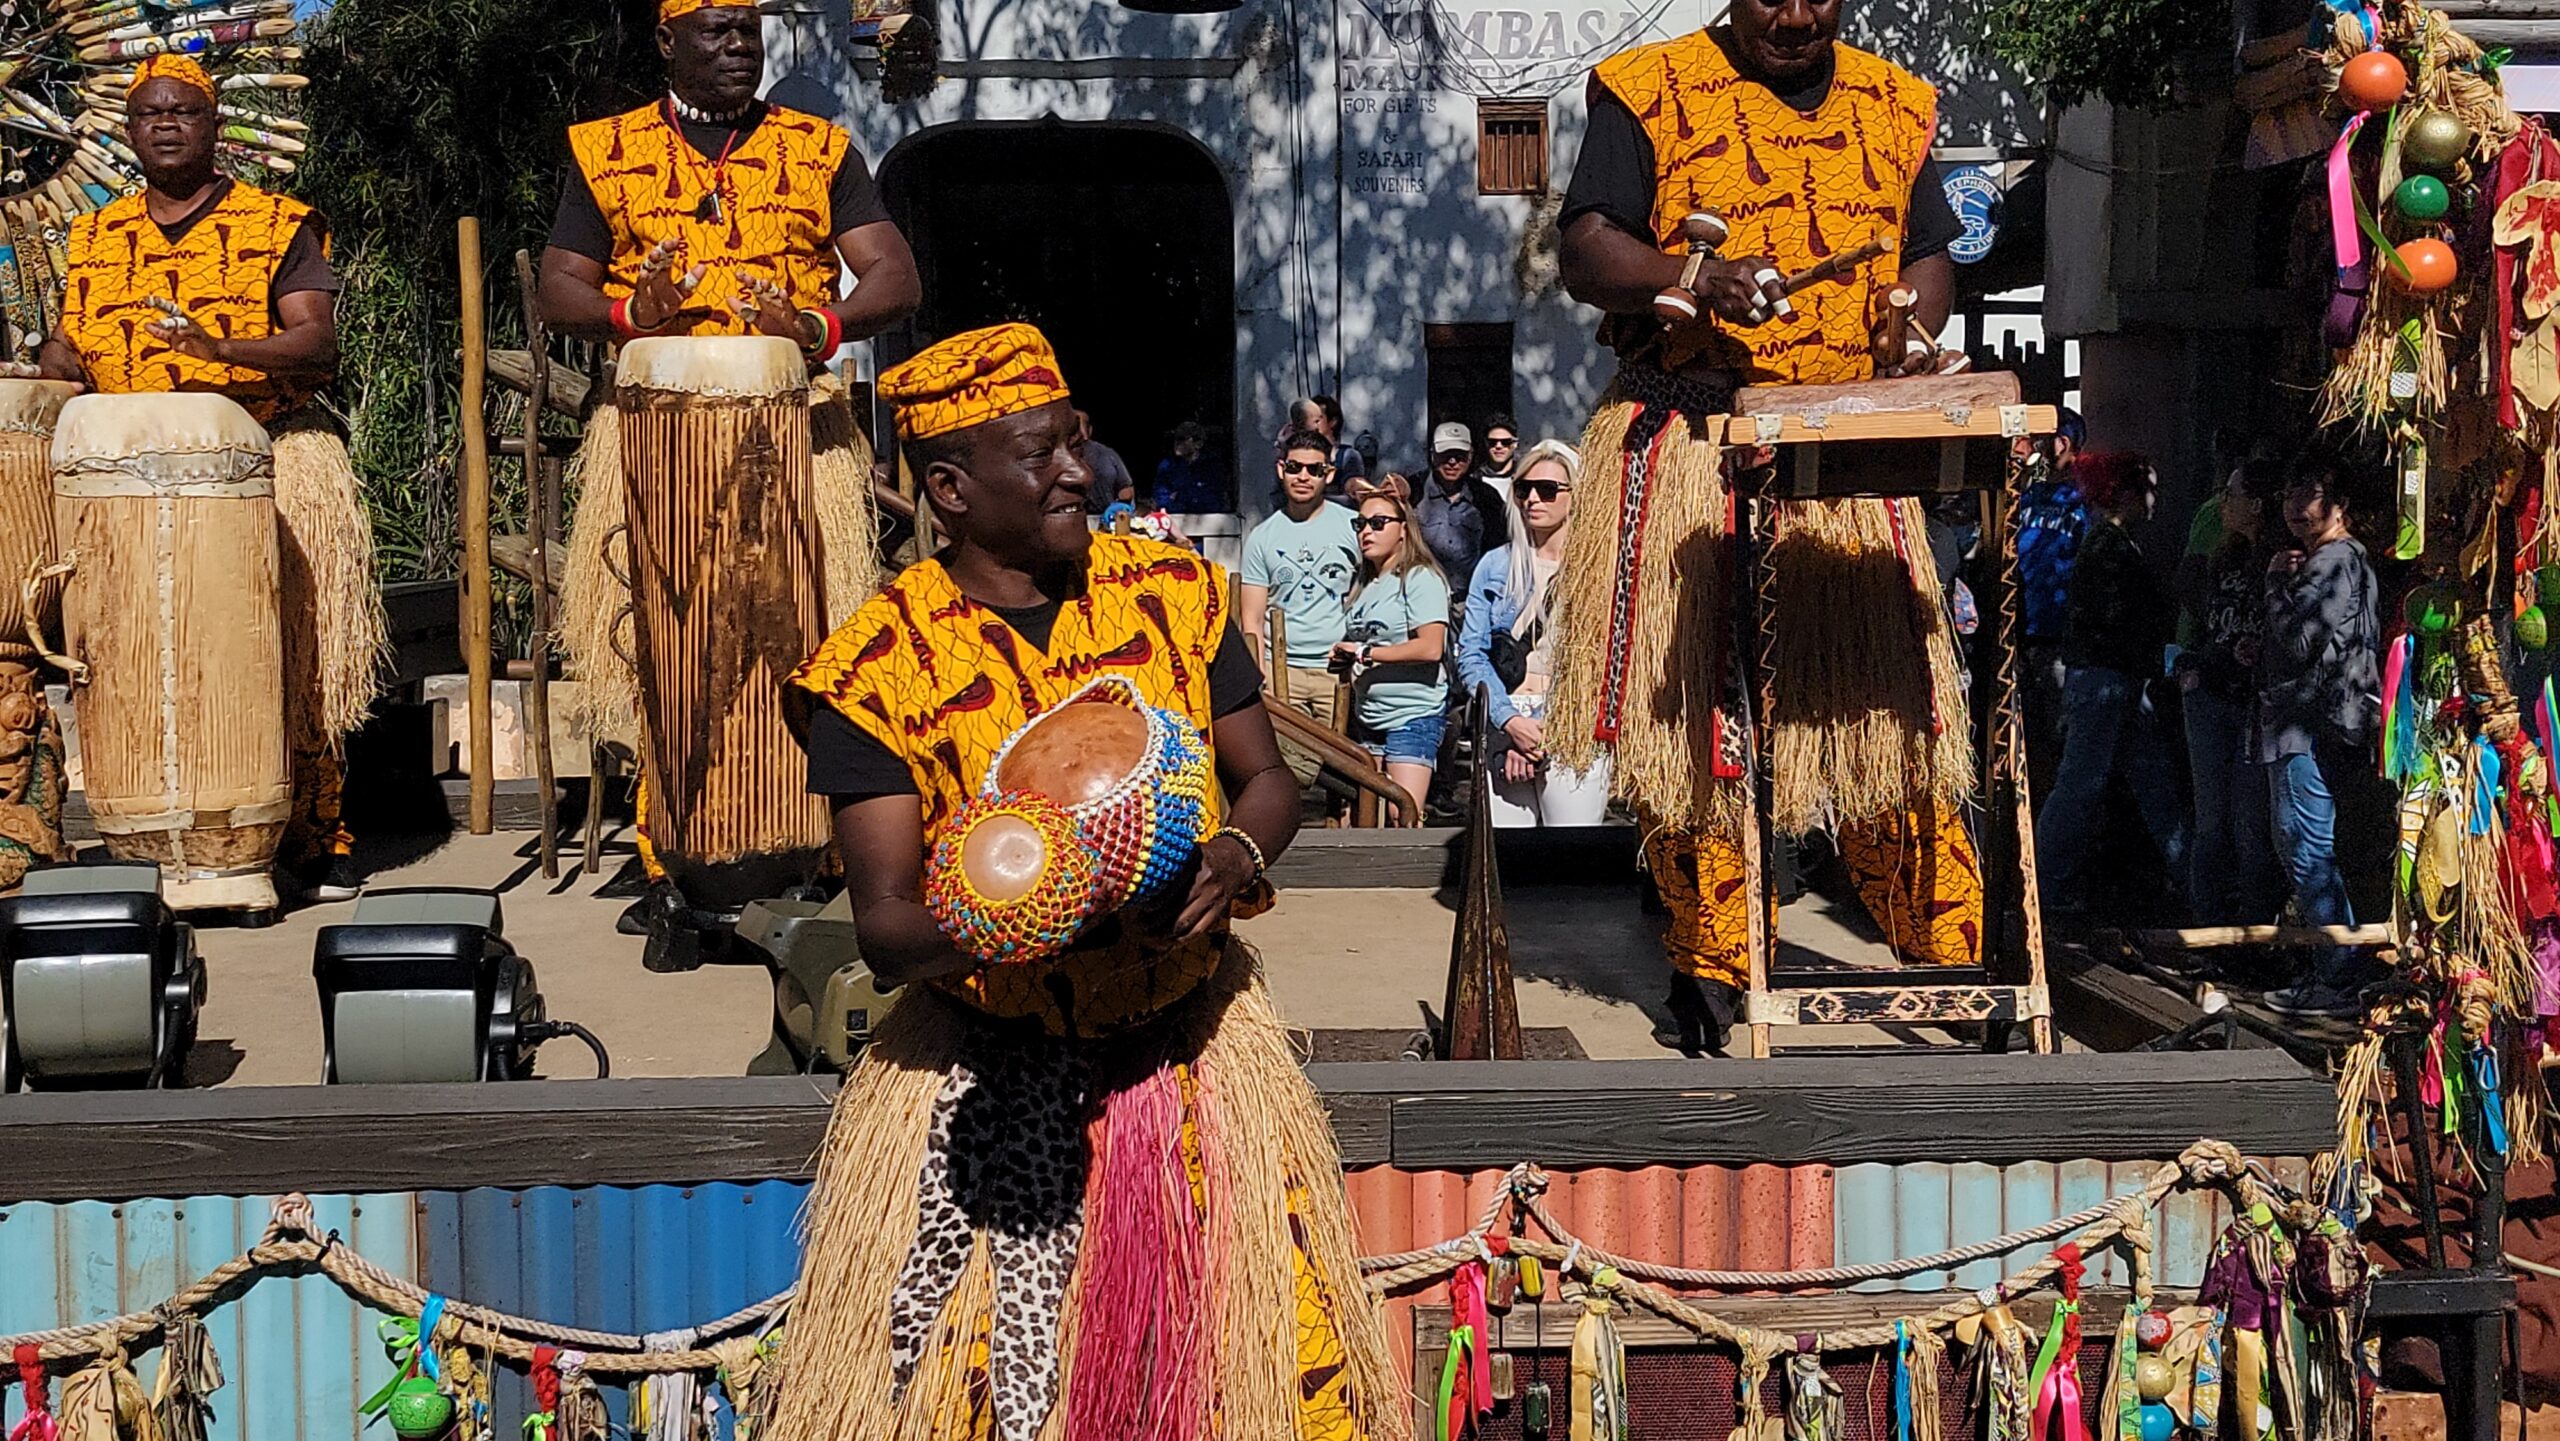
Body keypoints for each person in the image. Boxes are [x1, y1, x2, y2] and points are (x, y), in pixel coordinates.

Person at [769, 323, 1397, 1440]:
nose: (1077, 471)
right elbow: (888, 930)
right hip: (986, 1079)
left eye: (1077, 441)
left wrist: (1237, 855)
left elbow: (1266, 782)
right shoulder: (877, 664)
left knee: (1264, 1380)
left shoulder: (1172, 590)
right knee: (973, 1398)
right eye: (1040, 453)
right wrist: (1033, 916)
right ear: (952, 490)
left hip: (1193, 1057)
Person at [1544, 0, 1981, 1053]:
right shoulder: (1644, 86)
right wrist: (1689, 276)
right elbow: (1587, 247)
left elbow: (1926, 252)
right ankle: (1718, 962)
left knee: (1890, 717)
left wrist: (1909, 329)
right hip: (1693, 439)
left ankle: (1951, 957)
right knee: (1701, 731)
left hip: (1849, 445)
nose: (1792, 15)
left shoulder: (1897, 101)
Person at [542, 0, 921, 934]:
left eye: (749, 31)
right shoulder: (606, 149)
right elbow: (560, 285)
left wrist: (818, 326)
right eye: (716, 31)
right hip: (654, 437)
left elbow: (895, 277)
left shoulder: (818, 148)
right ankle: (671, 845)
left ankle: (809, 840)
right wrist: (634, 313)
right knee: (659, 648)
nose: (739, 46)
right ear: (666, 43)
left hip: (798, 432)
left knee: (808, 642)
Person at [33, 53, 383, 904]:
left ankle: (316, 835)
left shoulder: (278, 223)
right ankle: (161, 827)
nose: (164, 124)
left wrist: (222, 352)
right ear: (127, 130)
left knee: (293, 652)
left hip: (268, 456)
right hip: (125, 482)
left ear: (213, 126)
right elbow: (70, 343)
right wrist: (45, 374)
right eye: (149, 112)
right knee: (132, 657)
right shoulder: (96, 232)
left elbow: (317, 344)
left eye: (183, 111)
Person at [2033, 453, 2188, 917]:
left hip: (2115, 680)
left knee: (2145, 781)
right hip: (2109, 680)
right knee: (2085, 783)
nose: (2153, 498)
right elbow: (2123, 620)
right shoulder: (2111, 547)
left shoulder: (2106, 543)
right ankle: (2044, 883)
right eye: (2147, 487)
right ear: (2125, 492)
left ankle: (2191, 881)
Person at [2260, 453, 2383, 1018]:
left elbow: (2300, 641)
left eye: (2309, 495)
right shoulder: (2343, 560)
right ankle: (2336, 969)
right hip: (2324, 721)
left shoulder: (2331, 560)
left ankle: (2339, 975)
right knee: (2311, 845)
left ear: (2340, 508)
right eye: (2289, 494)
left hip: (2307, 724)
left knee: (2305, 845)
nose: (2295, 508)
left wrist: (2274, 587)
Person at [1456, 440, 1614, 826]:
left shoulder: (1597, 573)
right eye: (1523, 488)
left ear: (1576, 496)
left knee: (1572, 850)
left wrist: (1538, 729)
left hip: (1570, 720)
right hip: (1503, 716)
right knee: (1507, 859)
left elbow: (1602, 660)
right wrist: (1510, 724)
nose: (1533, 499)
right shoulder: (1495, 565)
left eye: (1547, 490)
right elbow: (1471, 654)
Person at [2175, 459, 2282, 925]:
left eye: (2232, 494)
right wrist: (2189, 664)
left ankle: (2258, 929)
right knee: (2211, 819)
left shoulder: (2283, 562)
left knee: (2252, 823)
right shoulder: (2222, 556)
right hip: (2211, 694)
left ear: (2257, 504)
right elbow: (2202, 619)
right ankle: (2207, 924)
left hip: (2256, 705)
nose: (2223, 503)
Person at [1239, 429, 1361, 783]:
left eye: (1314, 469)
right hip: (1283, 672)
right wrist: (1260, 675)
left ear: (1330, 474)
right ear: (1281, 469)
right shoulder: (1263, 536)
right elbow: (1252, 617)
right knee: (1285, 775)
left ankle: (1346, 838)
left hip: (1337, 670)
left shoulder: (1353, 526)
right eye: (1295, 468)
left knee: (1346, 777)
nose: (1303, 477)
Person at [1335, 488, 1452, 812]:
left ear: (1403, 528)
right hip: (1367, 717)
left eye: (1378, 522)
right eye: (1360, 524)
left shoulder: (1419, 577)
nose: (1366, 531)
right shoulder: (1365, 583)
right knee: (1358, 818)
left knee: (1402, 815)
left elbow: (1430, 648)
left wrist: (1364, 654)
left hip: (1412, 715)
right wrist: (1345, 656)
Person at [2015, 407, 2088, 804]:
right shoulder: (2030, 493)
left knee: (2061, 729)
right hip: (2020, 626)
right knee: (2026, 729)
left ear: (2064, 442)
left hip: (2059, 632)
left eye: (2049, 439)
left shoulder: (2082, 500)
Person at [1414, 421, 1505, 609]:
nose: (1452, 461)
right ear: (1432, 454)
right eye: (1445, 454)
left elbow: (1500, 551)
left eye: (1460, 455)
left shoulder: (1487, 498)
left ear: (1471, 456)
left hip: (1472, 603)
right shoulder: (1413, 492)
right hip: (1420, 601)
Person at [1152, 419, 1227, 512]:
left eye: (1182, 438)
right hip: (1175, 518)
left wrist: (1180, 498)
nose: (1176, 442)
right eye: (1174, 438)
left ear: (1198, 444)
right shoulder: (1167, 466)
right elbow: (1161, 500)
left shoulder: (1212, 467)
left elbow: (1215, 500)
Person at [1074, 409, 1136, 513]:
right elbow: (1127, 493)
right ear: (1089, 430)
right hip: (1107, 518)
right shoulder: (1108, 453)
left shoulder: (1057, 456)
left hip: (1073, 519)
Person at [1479, 413, 1522, 482]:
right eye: (1492, 442)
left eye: (1506, 442)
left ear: (1515, 444)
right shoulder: (1473, 479)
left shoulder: (1525, 476)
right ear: (1485, 443)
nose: (1498, 446)